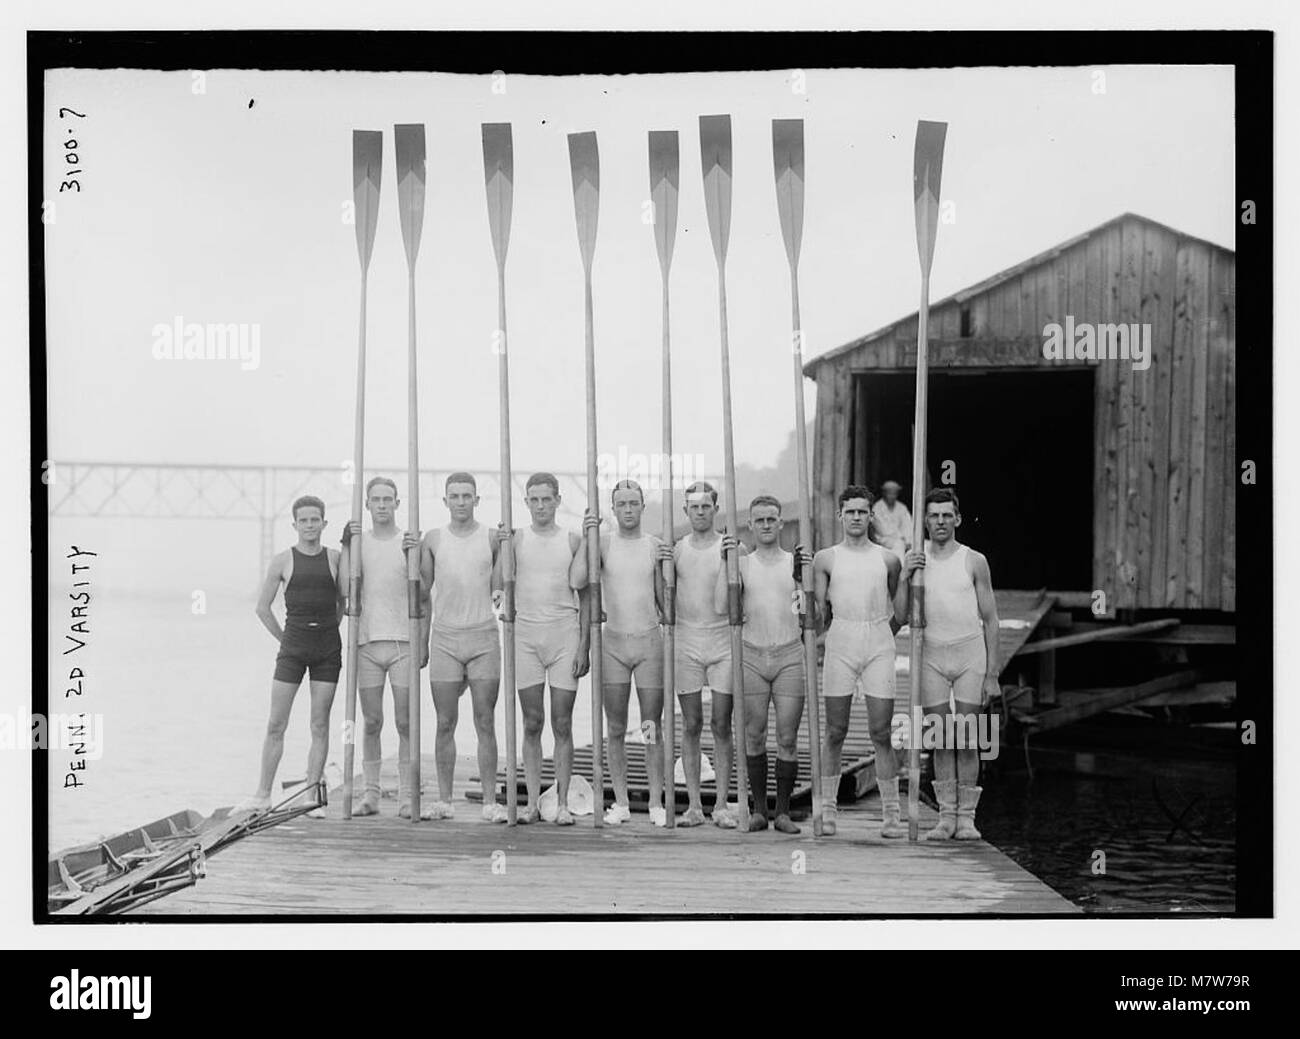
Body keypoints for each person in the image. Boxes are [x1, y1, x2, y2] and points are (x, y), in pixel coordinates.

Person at [899, 488, 1000, 840]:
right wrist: (905, 574)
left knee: (968, 738)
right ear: (924, 521)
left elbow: (990, 619)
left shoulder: (974, 561)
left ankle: (967, 818)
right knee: (942, 738)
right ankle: (945, 817)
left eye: (946, 515)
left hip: (969, 653)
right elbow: (899, 615)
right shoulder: (916, 558)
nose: (940, 521)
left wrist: (992, 675)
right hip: (932, 656)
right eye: (933, 516)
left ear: (957, 518)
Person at [407, 472, 507, 823]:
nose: (461, 501)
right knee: (445, 721)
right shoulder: (433, 539)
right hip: (446, 637)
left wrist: (507, 547)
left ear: (477, 500)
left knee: (485, 720)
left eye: (467, 496)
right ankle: (445, 800)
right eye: (455, 496)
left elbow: (502, 591)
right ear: (445, 501)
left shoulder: (493, 538)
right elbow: (421, 593)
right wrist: (411, 555)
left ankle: (491, 802)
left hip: (483, 637)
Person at [812, 485, 909, 837]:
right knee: (835, 731)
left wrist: (883, 632)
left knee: (881, 732)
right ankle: (828, 811)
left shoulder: (888, 559)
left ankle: (891, 814)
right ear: (840, 515)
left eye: (862, 511)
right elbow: (817, 617)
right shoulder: (826, 558)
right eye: (849, 511)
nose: (855, 517)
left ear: (871, 515)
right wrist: (801, 581)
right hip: (841, 639)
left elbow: (902, 612)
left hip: (878, 639)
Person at [241, 495, 344, 816]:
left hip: (327, 649)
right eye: (304, 521)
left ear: (324, 523)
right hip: (292, 650)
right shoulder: (282, 560)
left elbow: (344, 602)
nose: (310, 526)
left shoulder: (336, 558)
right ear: (295, 525)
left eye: (316, 520)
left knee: (320, 724)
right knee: (276, 723)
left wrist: (327, 628)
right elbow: (262, 608)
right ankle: (261, 795)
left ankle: (312, 796)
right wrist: (286, 639)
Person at [573, 479, 667, 826]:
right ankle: (623, 802)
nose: (628, 510)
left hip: (647, 642)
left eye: (633, 503)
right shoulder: (604, 544)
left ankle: (656, 802)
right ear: (613, 509)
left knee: (650, 725)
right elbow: (577, 579)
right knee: (614, 727)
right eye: (621, 504)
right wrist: (588, 538)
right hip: (612, 642)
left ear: (643, 507)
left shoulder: (654, 545)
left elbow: (664, 603)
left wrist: (669, 570)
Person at [717, 496, 812, 834]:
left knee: (787, 736)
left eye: (772, 519)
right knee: (753, 735)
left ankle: (782, 812)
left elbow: (808, 616)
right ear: (751, 525)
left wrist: (804, 580)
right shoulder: (742, 564)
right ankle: (759, 810)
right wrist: (724, 565)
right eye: (760, 520)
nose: (766, 525)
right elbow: (722, 606)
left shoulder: (794, 562)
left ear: (781, 523)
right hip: (752, 654)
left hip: (788, 653)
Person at [339, 477, 429, 818]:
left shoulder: (406, 540)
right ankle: (370, 795)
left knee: (405, 722)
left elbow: (420, 592)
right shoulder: (360, 543)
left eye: (387, 499)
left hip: (402, 641)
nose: (381, 505)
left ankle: (407, 796)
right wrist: (347, 543)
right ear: (367, 504)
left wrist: (413, 554)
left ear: (397, 503)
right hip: (367, 643)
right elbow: (346, 587)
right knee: (372, 720)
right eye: (375, 499)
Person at [510, 472, 590, 826]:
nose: (541, 506)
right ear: (526, 502)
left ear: (558, 500)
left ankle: (560, 804)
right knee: (531, 722)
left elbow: (583, 590)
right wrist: (501, 546)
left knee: (561, 722)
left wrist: (585, 645)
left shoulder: (572, 540)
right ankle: (530, 803)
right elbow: (499, 584)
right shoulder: (516, 539)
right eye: (534, 500)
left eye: (547, 499)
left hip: (563, 635)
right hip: (526, 636)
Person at [657, 481, 738, 828]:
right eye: (694, 508)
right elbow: (663, 601)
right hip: (686, 639)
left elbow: (739, 598)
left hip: (721, 640)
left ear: (715, 509)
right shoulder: (675, 551)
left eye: (707, 507)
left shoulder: (731, 548)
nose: (701, 512)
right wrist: (661, 568)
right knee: (690, 723)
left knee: (721, 723)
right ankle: (692, 805)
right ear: (685, 511)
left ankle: (721, 804)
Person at [870, 479, 912, 561]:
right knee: (898, 545)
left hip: (902, 539)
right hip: (883, 539)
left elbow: (908, 525)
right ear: (884, 493)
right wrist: (901, 538)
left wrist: (908, 540)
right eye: (889, 493)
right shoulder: (877, 508)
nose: (892, 496)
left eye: (894, 494)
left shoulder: (901, 507)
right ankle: (900, 570)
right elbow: (883, 530)